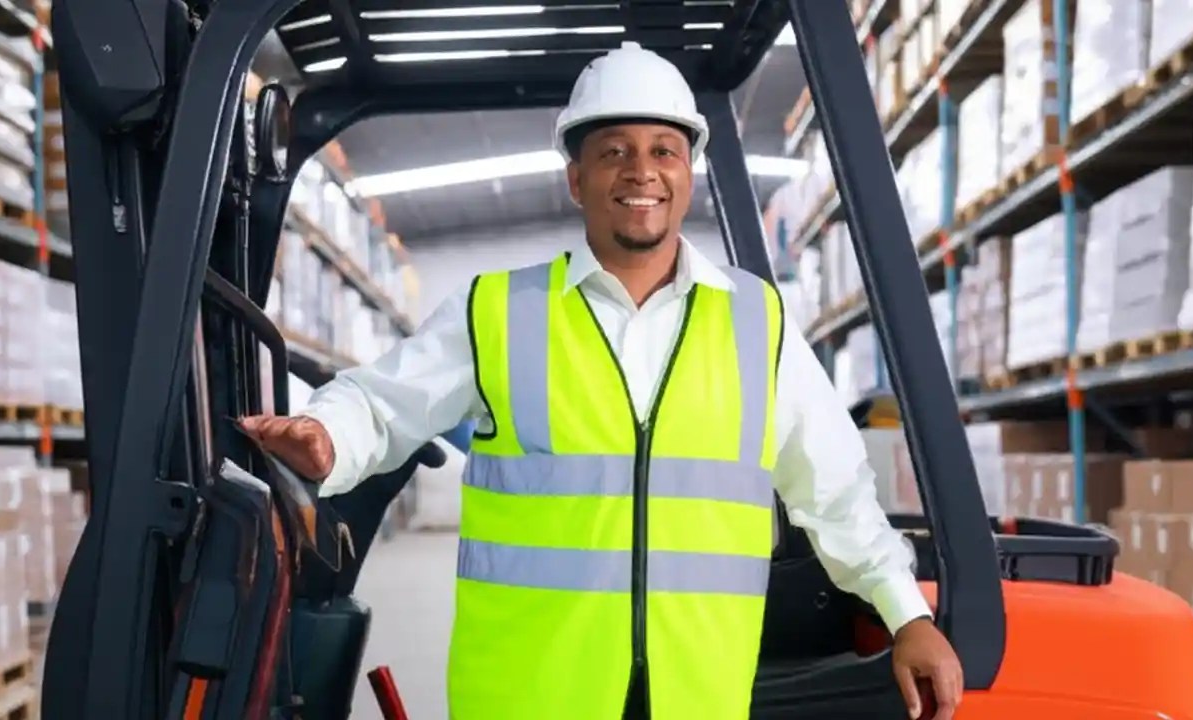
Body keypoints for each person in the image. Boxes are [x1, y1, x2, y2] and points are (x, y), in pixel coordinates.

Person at [241, 41, 962, 720]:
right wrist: (329, 435)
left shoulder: (756, 324)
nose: (641, 171)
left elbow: (835, 491)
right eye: (614, 151)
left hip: (695, 693)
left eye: (663, 151)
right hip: (533, 694)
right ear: (576, 176)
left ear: (687, 172)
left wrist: (908, 614)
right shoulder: (499, 309)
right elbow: (382, 400)